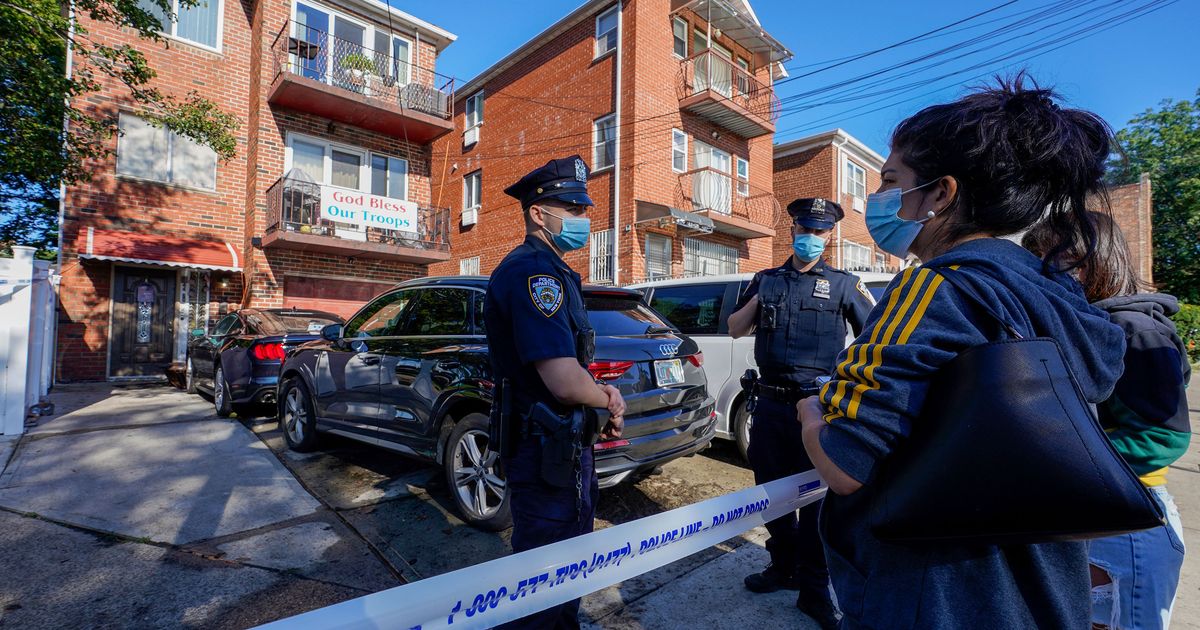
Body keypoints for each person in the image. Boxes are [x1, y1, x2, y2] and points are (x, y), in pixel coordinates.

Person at [794, 74, 1128, 628]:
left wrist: (812, 413)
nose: (878, 199)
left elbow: (846, 464)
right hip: (1041, 590)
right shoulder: (1056, 294)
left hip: (933, 596)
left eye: (890, 180)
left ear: (941, 194)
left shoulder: (932, 289)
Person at [1024, 212, 1191, 630]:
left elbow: (1160, 436)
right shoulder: (1098, 325)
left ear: (1081, 262)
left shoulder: (1134, 330)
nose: (1037, 277)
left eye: (1043, 262)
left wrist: (1063, 459)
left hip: (1130, 521)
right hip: (1102, 511)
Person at [484, 155, 626, 629]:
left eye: (584, 209)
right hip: (545, 454)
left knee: (566, 574)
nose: (584, 219)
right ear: (539, 213)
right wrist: (608, 398)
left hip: (563, 451)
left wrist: (599, 395)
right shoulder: (534, 275)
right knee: (545, 583)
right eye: (572, 208)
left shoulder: (555, 271)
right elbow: (564, 381)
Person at [726, 197, 873, 629]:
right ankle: (782, 567)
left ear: (830, 237)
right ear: (792, 230)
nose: (811, 238)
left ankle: (814, 590)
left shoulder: (845, 284)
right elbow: (735, 328)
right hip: (770, 407)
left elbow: (874, 338)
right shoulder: (766, 278)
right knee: (772, 495)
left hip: (817, 408)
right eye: (804, 230)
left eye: (820, 232)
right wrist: (762, 295)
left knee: (815, 505)